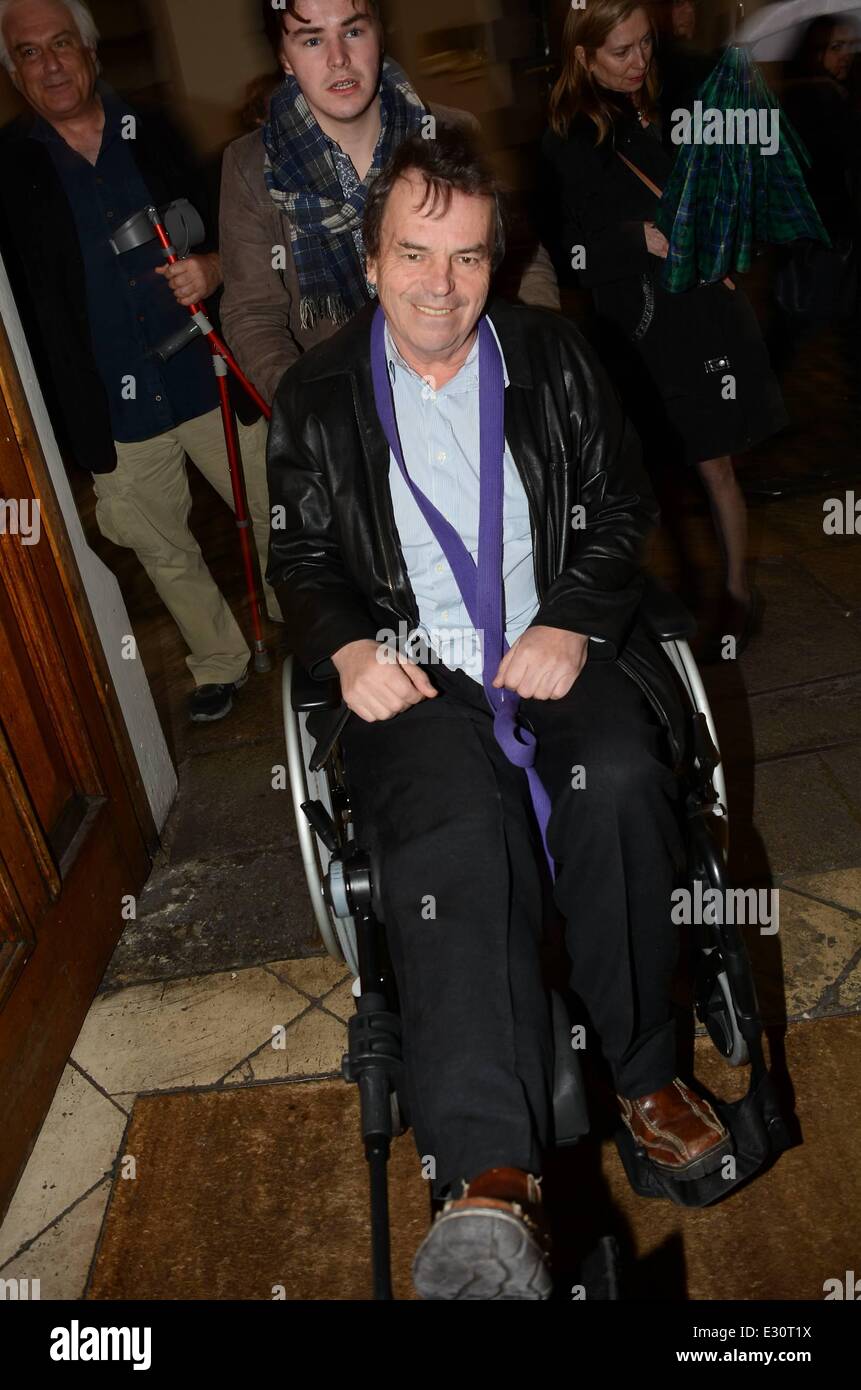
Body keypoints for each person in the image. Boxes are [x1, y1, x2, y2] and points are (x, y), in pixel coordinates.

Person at [267, 125, 732, 1301]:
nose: (443, 286)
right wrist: (347, 641)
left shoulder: (555, 357)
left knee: (624, 780)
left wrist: (576, 616)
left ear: (496, 258)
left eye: (469, 258)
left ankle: (642, 1071)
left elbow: (623, 509)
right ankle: (487, 1178)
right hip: (415, 677)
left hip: (549, 652)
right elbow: (302, 558)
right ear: (369, 262)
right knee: (454, 836)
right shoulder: (315, 397)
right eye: (416, 255)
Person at [0, 0, 279, 723]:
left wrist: (215, 266)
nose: (50, 63)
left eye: (62, 44)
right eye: (29, 53)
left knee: (275, 510)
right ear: (13, 71)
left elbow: (238, 228)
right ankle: (218, 662)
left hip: (208, 376)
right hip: (109, 403)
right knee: (160, 546)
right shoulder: (7, 167)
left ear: (90, 52)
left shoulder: (154, 131)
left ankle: (310, 626)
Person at [541, 0, 789, 657]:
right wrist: (641, 240)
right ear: (582, 55)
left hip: (701, 311)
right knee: (648, 473)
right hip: (638, 327)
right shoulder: (570, 134)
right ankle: (675, 590)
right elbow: (571, 254)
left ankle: (734, 594)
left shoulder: (675, 100)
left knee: (716, 460)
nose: (637, 62)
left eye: (644, 45)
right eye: (619, 51)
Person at [218, 0, 559, 409]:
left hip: (467, 394)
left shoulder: (450, 133)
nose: (338, 59)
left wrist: (534, 365)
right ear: (284, 58)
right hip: (343, 407)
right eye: (311, 40)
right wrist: (312, 415)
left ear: (379, 35)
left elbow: (523, 256)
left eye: (353, 31)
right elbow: (253, 316)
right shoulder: (251, 167)